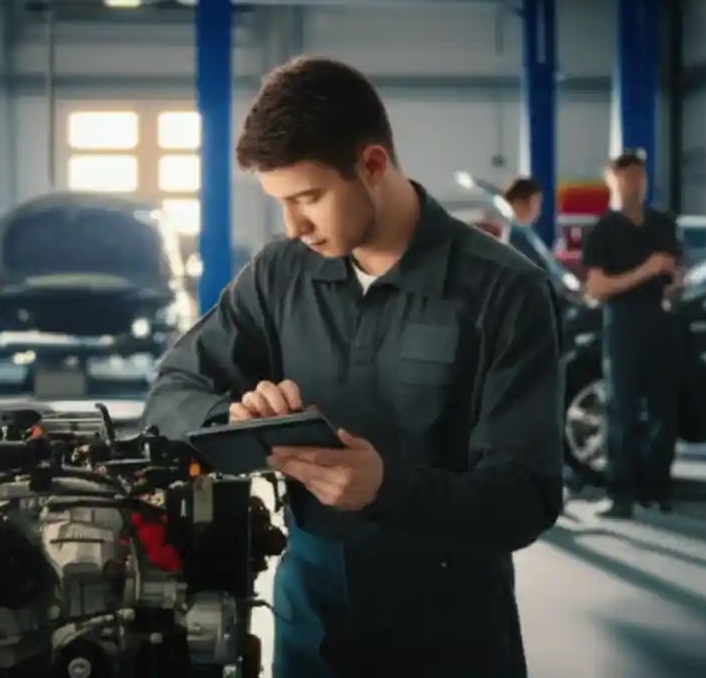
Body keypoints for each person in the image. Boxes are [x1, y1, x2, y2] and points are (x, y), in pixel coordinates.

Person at [141, 56, 564, 677]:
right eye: (281, 202)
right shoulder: (280, 275)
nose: (294, 225)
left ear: (371, 166)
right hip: (312, 609)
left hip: (450, 619)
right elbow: (173, 390)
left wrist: (385, 489)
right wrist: (237, 418)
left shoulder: (503, 291)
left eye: (309, 197)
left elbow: (525, 497)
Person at [580, 152, 683, 518]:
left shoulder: (662, 224)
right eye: (627, 178)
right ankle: (620, 494)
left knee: (662, 409)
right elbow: (597, 288)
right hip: (622, 323)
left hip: (659, 322)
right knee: (620, 409)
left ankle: (658, 489)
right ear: (612, 181)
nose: (635, 184)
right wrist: (647, 270)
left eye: (640, 177)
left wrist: (673, 281)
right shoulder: (603, 230)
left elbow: (676, 272)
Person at [502, 176, 554, 275]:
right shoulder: (516, 234)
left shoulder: (528, 233)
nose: (538, 211)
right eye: (535, 203)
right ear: (518, 203)